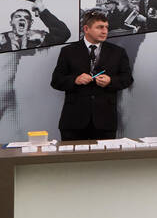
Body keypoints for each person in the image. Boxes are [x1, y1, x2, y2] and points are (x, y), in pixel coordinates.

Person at [50, 9, 133, 141]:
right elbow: (56, 81)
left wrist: (110, 81)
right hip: (73, 122)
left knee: (103, 161)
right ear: (86, 29)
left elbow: (127, 79)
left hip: (105, 122)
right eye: (100, 27)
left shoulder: (118, 52)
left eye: (106, 27)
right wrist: (75, 80)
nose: (105, 31)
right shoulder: (68, 51)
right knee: (73, 161)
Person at [0, 0, 70, 53]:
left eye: (26, 18)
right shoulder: (0, 38)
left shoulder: (40, 36)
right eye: (18, 17)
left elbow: (64, 34)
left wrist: (42, 9)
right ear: (11, 22)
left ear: (31, 23)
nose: (22, 19)